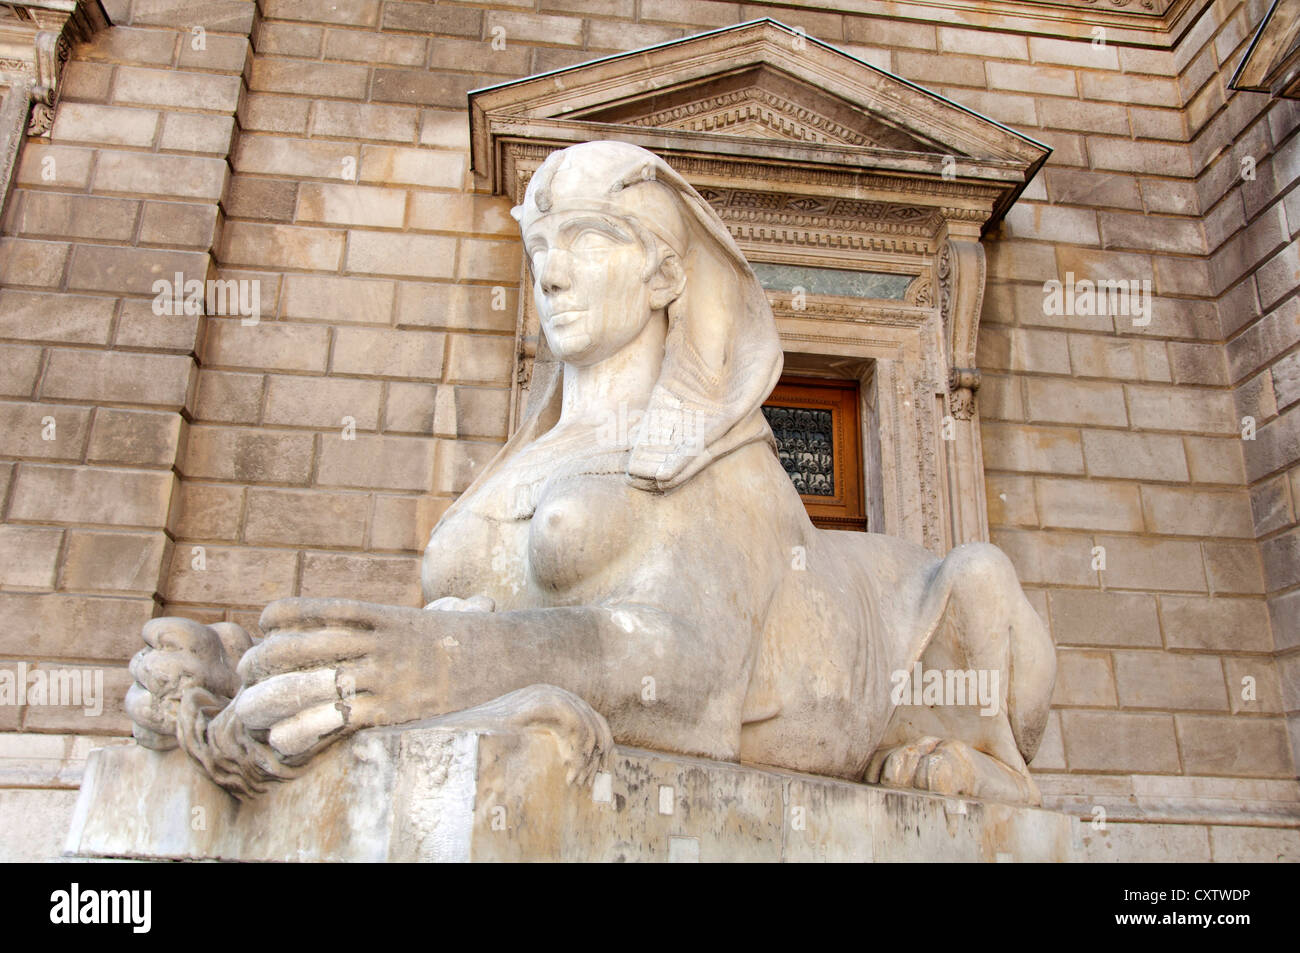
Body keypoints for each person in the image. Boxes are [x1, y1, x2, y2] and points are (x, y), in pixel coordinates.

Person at [126, 141, 1055, 805]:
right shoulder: (523, 464)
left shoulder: (724, 461)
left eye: (590, 241)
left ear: (664, 277)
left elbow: (687, 683)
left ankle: (995, 767)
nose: (553, 276)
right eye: (541, 248)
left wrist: (441, 662)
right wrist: (250, 674)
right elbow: (454, 645)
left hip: (898, 647)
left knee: (976, 576)